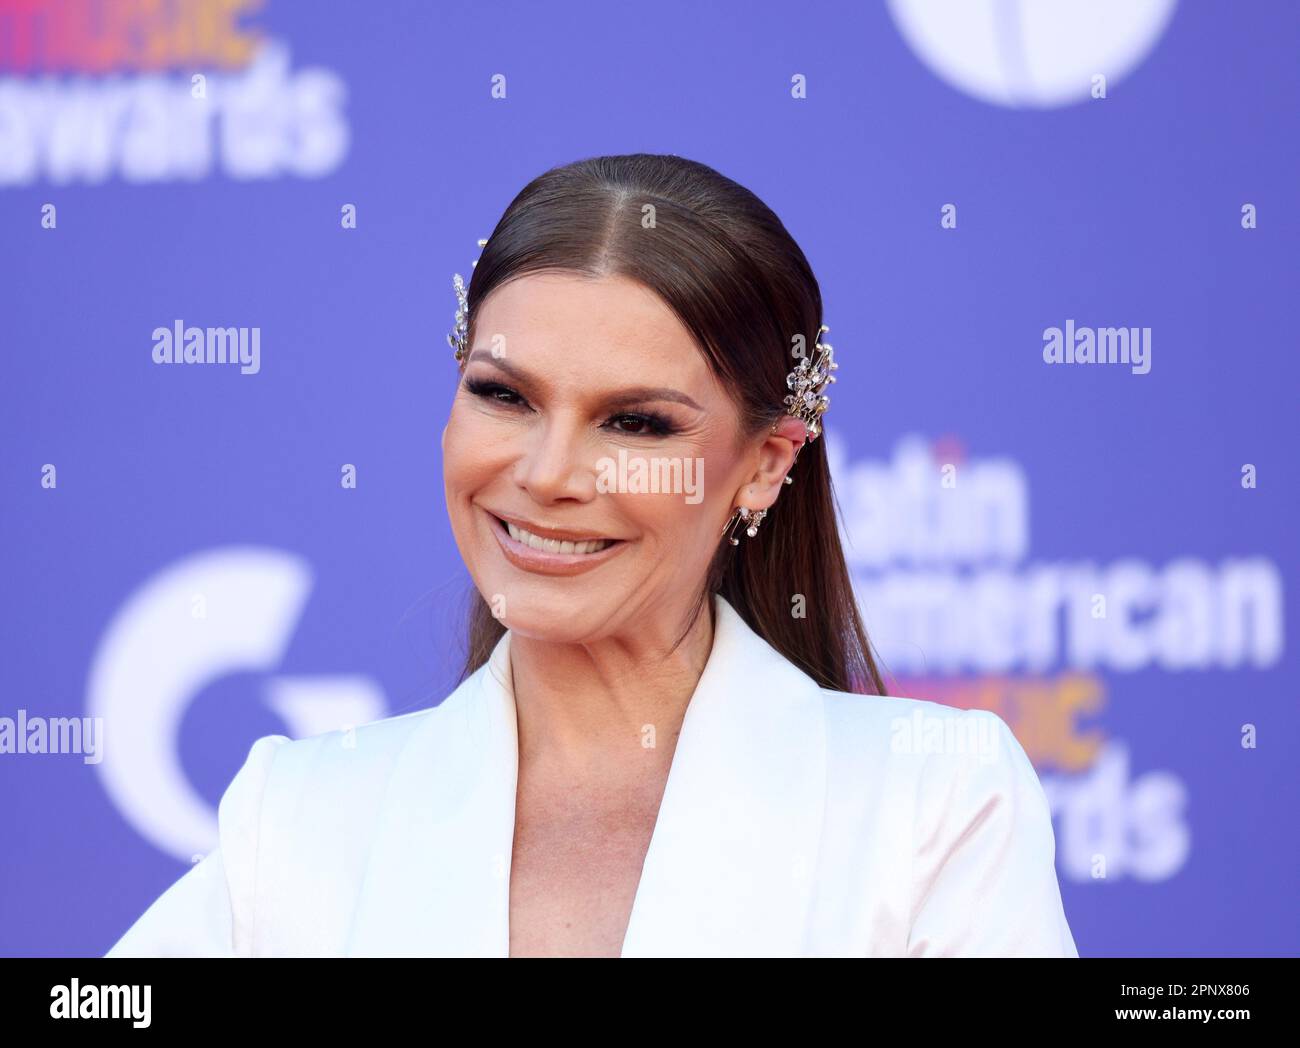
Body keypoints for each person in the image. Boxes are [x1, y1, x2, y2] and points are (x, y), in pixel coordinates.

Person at [105, 153, 1078, 958]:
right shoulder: (295, 819)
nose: (549, 471)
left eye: (636, 423)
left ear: (763, 465)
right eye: (504, 396)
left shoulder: (933, 801)